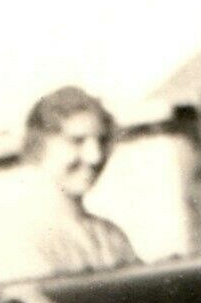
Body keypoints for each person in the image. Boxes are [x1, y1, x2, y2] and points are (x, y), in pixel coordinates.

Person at [11, 85, 141, 277]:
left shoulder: (111, 237)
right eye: (77, 141)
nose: (95, 156)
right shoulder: (20, 239)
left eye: (102, 141)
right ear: (39, 145)